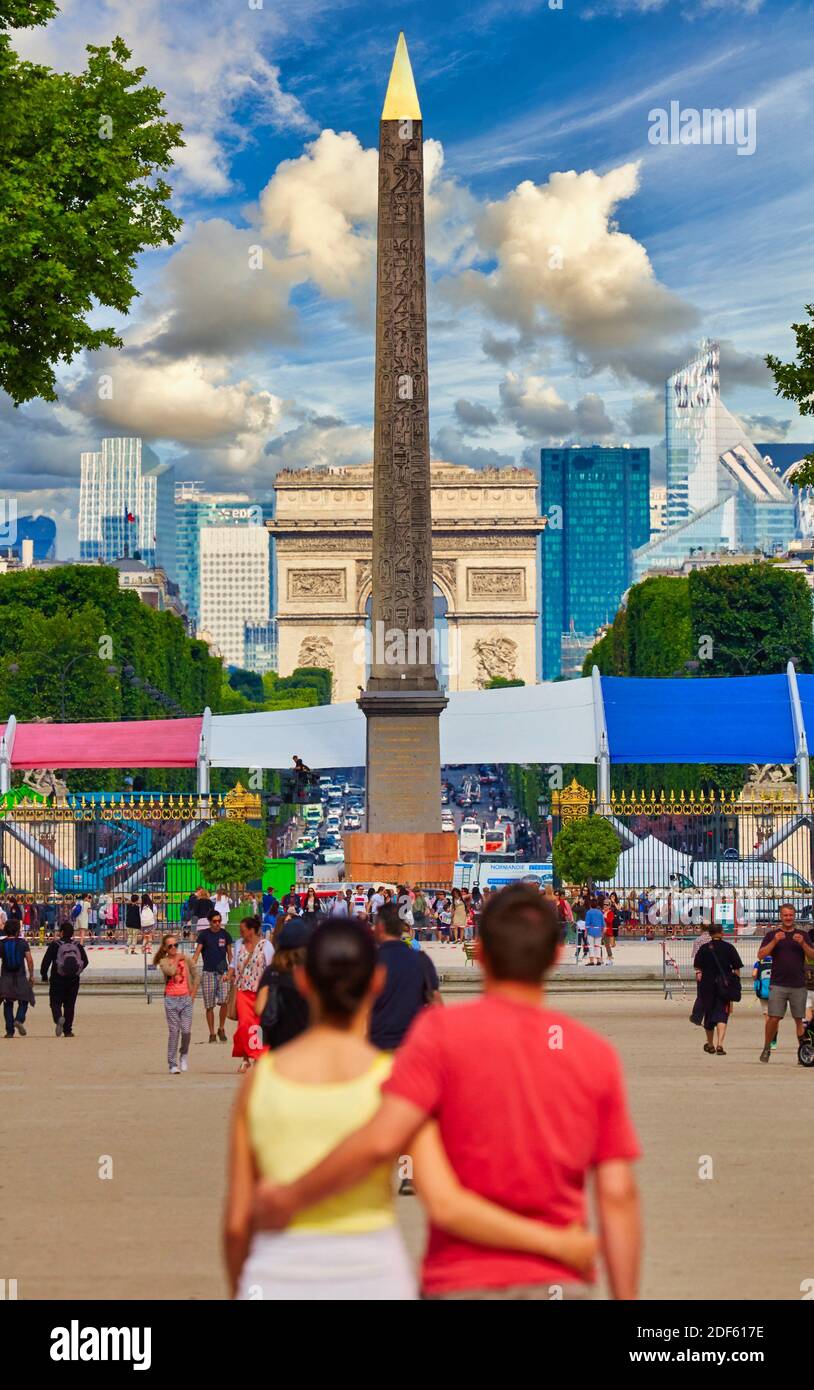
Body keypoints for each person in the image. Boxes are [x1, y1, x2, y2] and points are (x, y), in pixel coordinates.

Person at [253, 886, 640, 1300]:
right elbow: (617, 1194)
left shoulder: (440, 1036)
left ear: (480, 952)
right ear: (555, 956)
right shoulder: (594, 1056)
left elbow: (381, 1139)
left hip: (461, 1279)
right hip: (559, 1279)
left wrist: (293, 1193)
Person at [369, 904, 440, 1053]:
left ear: (380, 927)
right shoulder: (421, 960)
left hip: (378, 1046)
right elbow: (437, 1005)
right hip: (414, 1046)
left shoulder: (370, 962)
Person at [757, 904, 814, 1062]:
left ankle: (804, 1052)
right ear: (780, 916)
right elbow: (760, 955)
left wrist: (803, 943)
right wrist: (774, 941)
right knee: (773, 1018)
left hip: (798, 984)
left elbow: (812, 955)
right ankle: (767, 1047)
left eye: (790, 915)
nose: (788, 918)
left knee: (799, 1019)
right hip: (778, 984)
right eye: (785, 915)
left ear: (794, 916)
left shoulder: (803, 934)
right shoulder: (772, 935)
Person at [255, 918, 311, 1050]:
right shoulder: (312, 972)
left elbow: (259, 1008)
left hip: (279, 1046)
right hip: (307, 1044)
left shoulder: (272, 972)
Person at [692, 922, 743, 1055]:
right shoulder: (729, 947)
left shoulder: (704, 948)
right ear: (722, 933)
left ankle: (710, 1043)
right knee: (722, 1015)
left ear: (709, 933)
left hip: (707, 986)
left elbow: (697, 966)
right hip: (724, 986)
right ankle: (720, 1044)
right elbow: (737, 968)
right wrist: (735, 982)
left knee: (709, 1015)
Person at [231, 916, 272, 1072]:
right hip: (243, 990)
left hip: (260, 991)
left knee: (258, 1027)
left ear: (252, 930)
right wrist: (229, 974)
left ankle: (258, 1057)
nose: (241, 933)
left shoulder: (266, 946)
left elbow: (271, 966)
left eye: (243, 930)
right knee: (244, 1025)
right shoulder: (238, 944)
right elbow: (234, 963)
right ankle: (246, 1057)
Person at [154, 934, 199, 1074]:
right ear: (165, 948)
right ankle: (172, 1064)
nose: (174, 948)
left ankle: (183, 1054)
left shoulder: (185, 959)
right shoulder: (163, 961)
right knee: (174, 1032)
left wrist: (193, 994)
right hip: (171, 1000)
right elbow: (171, 972)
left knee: (186, 1030)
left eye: (176, 945)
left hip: (186, 998)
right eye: (170, 946)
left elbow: (196, 974)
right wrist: (177, 959)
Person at [192, 910, 234, 1043]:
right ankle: (212, 1033)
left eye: (219, 921)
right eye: (215, 921)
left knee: (224, 1001)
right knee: (209, 1005)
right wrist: (190, 966)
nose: (217, 924)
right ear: (210, 921)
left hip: (223, 972)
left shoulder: (225, 934)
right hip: (208, 972)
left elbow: (230, 954)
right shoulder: (204, 935)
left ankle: (221, 1028)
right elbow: (197, 952)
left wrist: (231, 971)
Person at [40, 922, 88, 1037]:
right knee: (69, 1005)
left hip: (57, 979)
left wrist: (44, 975)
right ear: (72, 933)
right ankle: (68, 1031)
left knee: (55, 1002)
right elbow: (85, 961)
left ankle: (58, 1018)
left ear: (61, 932)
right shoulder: (77, 945)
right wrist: (76, 971)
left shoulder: (55, 945)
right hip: (73, 980)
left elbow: (46, 961)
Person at [0, 922, 35, 1038]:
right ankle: (19, 1019)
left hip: (6, 977)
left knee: (8, 1004)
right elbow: (29, 960)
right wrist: (31, 975)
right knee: (24, 1000)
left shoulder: (1, 943)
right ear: (17, 931)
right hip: (20, 976)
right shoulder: (22, 943)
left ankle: (10, 1031)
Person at [584, 897, 605, 965]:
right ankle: (598, 960)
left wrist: (585, 932)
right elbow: (603, 923)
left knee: (591, 946)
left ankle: (592, 961)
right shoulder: (600, 912)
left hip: (590, 931)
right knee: (598, 946)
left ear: (590, 905)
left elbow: (587, 923)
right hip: (598, 931)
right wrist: (602, 932)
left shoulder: (588, 912)